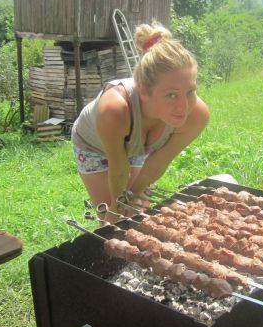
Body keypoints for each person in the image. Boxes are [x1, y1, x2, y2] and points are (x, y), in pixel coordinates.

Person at [71, 21, 209, 220]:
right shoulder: (114, 110)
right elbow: (119, 169)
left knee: (136, 214)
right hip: (94, 145)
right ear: (143, 90)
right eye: (171, 95)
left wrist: (134, 197)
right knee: (111, 216)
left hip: (138, 146)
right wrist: (117, 207)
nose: (183, 107)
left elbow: (159, 161)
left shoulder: (197, 116)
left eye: (190, 91)